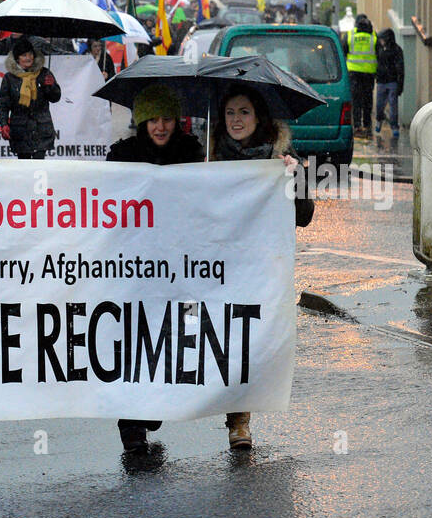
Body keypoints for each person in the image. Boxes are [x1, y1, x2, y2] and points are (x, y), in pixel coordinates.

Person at [209, 84, 314, 449]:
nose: (236, 120)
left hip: (259, 268)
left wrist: (294, 177)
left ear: (258, 117)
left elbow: (304, 216)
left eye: (244, 112)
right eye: (230, 113)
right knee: (218, 338)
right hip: (216, 265)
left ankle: (240, 420)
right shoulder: (210, 155)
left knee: (245, 338)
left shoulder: (279, 157)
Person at [106, 84, 204, 453]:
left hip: (178, 266)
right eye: (153, 120)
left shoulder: (193, 153)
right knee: (134, 340)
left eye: (167, 119)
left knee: (168, 338)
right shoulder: (122, 155)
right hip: (133, 266)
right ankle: (130, 424)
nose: (160, 127)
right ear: (141, 121)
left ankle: (153, 405)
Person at [0, 36, 61, 159]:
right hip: (20, 131)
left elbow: (55, 98)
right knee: (24, 167)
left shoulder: (44, 73)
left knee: (39, 165)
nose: (28, 58)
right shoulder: (9, 78)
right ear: (17, 59)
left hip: (41, 129)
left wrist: (51, 86)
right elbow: (3, 104)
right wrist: (4, 124)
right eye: (24, 55)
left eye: (30, 54)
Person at [343, 13, 377, 137]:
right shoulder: (374, 37)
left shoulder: (350, 35)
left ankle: (357, 126)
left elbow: (343, 52)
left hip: (353, 73)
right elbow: (378, 55)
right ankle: (367, 126)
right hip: (369, 74)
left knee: (356, 101)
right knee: (367, 101)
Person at [373, 29, 404, 139]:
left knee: (393, 106)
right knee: (379, 105)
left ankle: (394, 126)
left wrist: (400, 84)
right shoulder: (380, 48)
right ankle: (379, 119)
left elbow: (400, 68)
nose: (380, 41)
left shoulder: (396, 50)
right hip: (382, 80)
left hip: (392, 81)